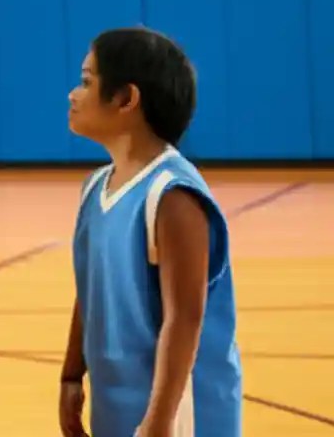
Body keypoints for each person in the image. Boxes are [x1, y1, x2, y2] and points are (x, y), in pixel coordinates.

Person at [59, 27, 243, 437]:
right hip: (117, 407)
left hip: (178, 414)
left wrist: (160, 420)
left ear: (127, 98)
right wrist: (71, 374)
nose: (73, 94)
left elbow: (185, 317)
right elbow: (88, 288)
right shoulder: (95, 187)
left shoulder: (172, 195)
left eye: (86, 82)